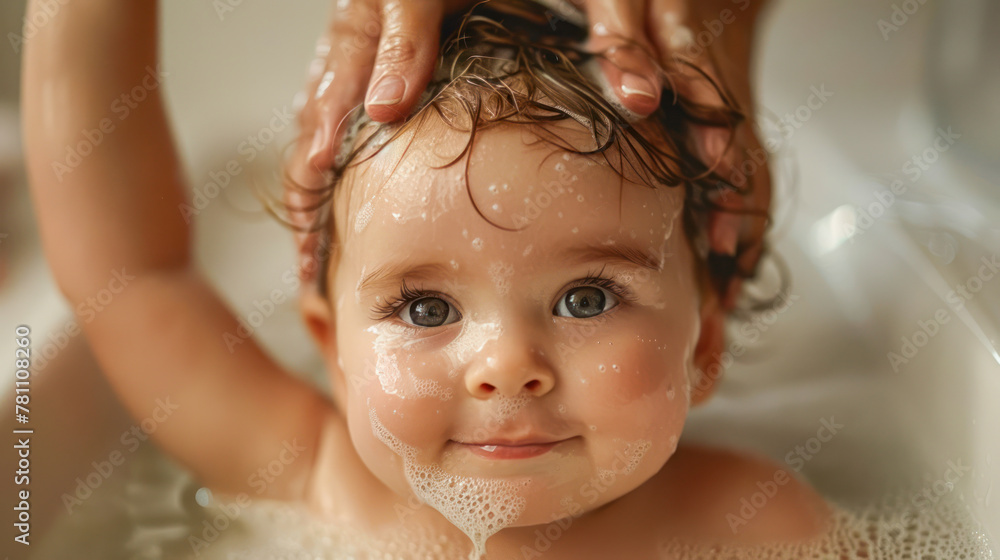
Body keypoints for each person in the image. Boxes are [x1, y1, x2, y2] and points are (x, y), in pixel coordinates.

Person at [23, 0, 833, 557]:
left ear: (707, 342)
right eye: (426, 307)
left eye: (586, 298)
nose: (506, 363)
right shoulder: (313, 477)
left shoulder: (756, 523)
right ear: (331, 349)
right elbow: (130, 276)